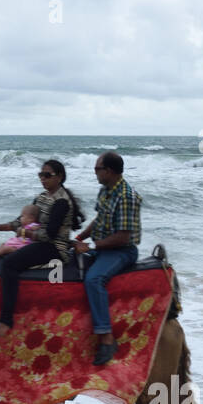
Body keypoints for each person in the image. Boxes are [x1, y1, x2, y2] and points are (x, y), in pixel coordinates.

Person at [0, 159, 85, 338]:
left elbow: (50, 235)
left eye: (47, 175)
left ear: (60, 177)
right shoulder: (42, 197)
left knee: (10, 264)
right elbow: (20, 222)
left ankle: (6, 320)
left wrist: (24, 233)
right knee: (1, 254)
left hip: (54, 248)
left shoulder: (61, 202)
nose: (43, 178)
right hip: (38, 242)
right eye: (41, 175)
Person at [73, 151, 142, 365]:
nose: (95, 173)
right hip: (101, 247)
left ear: (109, 171)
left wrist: (92, 245)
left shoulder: (127, 197)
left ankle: (106, 338)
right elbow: (99, 219)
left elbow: (123, 237)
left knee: (94, 279)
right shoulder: (105, 190)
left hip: (121, 251)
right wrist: (78, 238)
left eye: (97, 169)